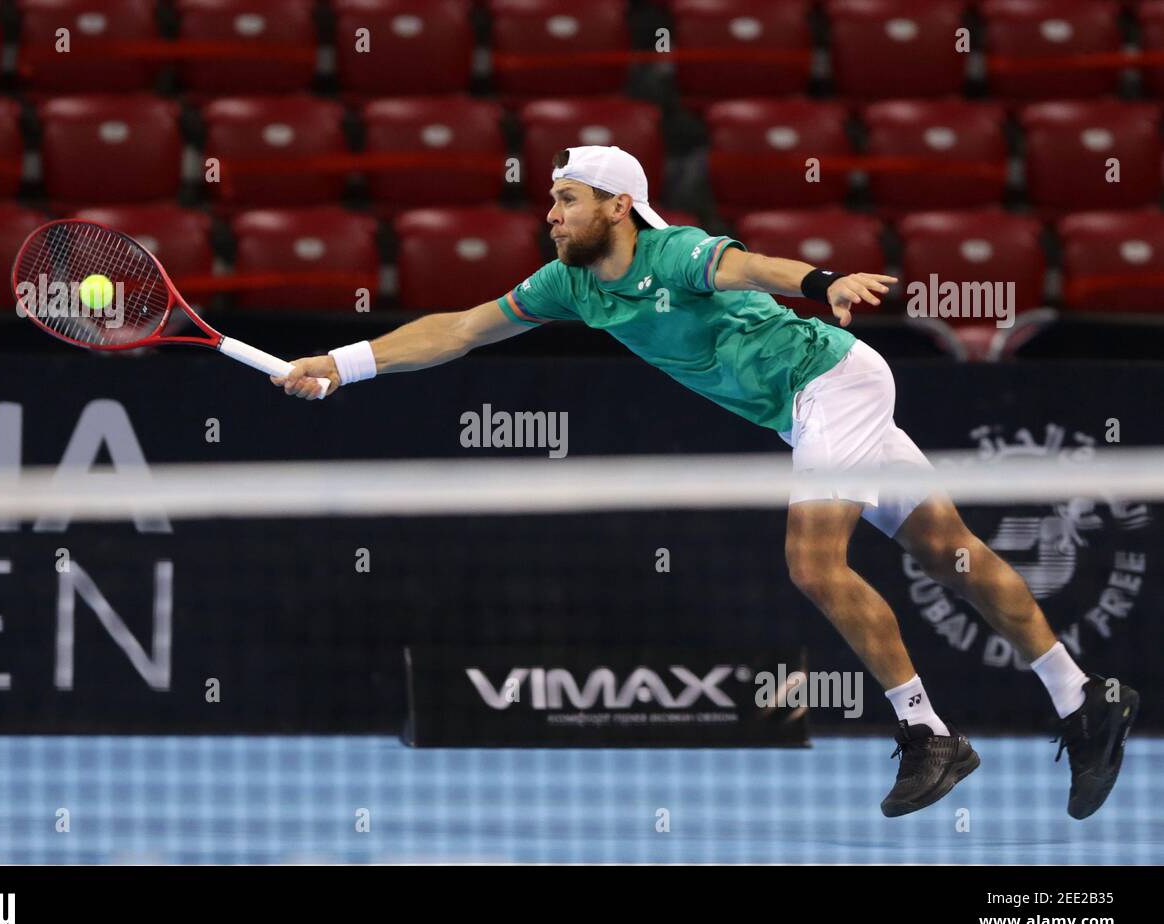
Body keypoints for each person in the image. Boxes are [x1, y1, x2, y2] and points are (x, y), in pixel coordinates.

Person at [274, 144, 1139, 818]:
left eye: (566, 199)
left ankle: (927, 731)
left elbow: (750, 266)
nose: (551, 213)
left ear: (617, 205)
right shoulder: (569, 284)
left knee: (813, 563)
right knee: (950, 550)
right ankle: (1083, 695)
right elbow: (460, 329)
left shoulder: (675, 251)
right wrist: (343, 365)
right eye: (550, 200)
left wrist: (823, 280)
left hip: (830, 380)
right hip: (811, 406)